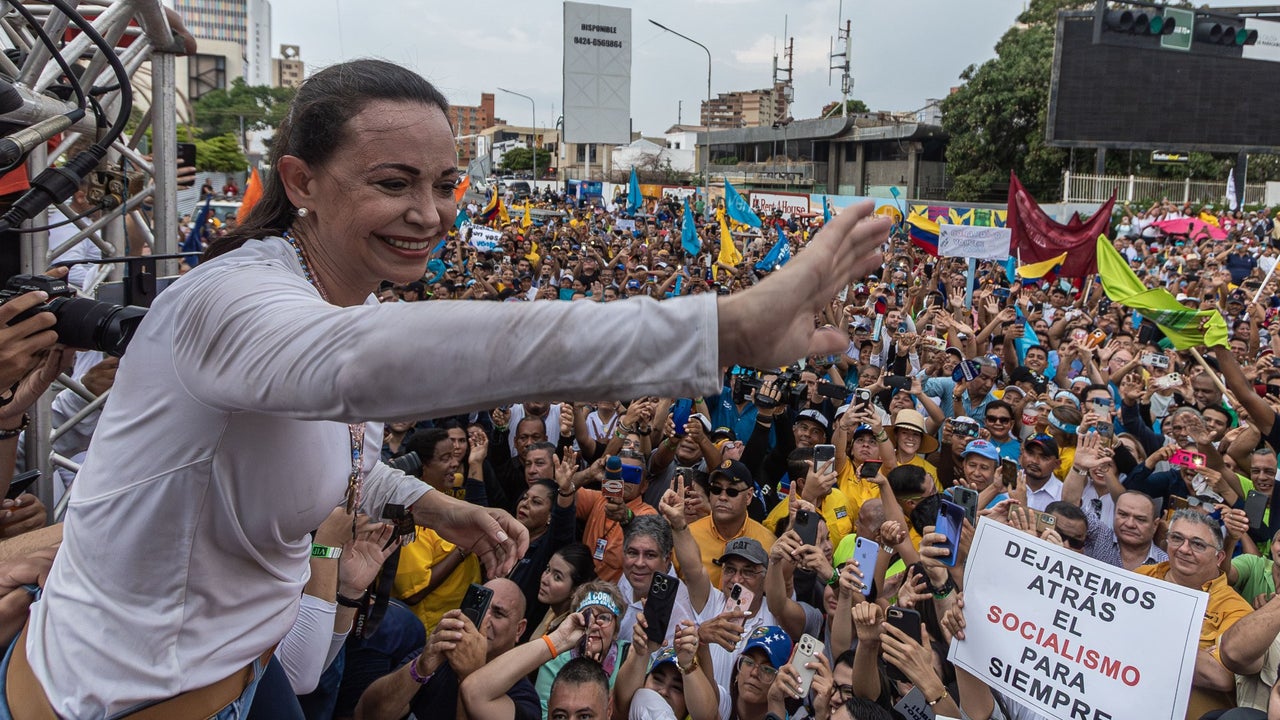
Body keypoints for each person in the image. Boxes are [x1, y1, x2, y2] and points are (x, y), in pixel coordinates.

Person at [10, 58, 891, 717]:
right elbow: (364, 371)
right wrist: (722, 325)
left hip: (250, 681)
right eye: (394, 184)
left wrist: (438, 506)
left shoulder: (321, 299)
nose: (429, 214)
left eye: (443, 184)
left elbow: (339, 447)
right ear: (299, 183)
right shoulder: (228, 301)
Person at [353, 578, 535, 720]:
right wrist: (419, 669)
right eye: (480, 607)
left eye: (498, 613)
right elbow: (365, 714)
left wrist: (471, 676)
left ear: (519, 629)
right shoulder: (439, 657)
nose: (484, 622)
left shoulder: (521, 696)